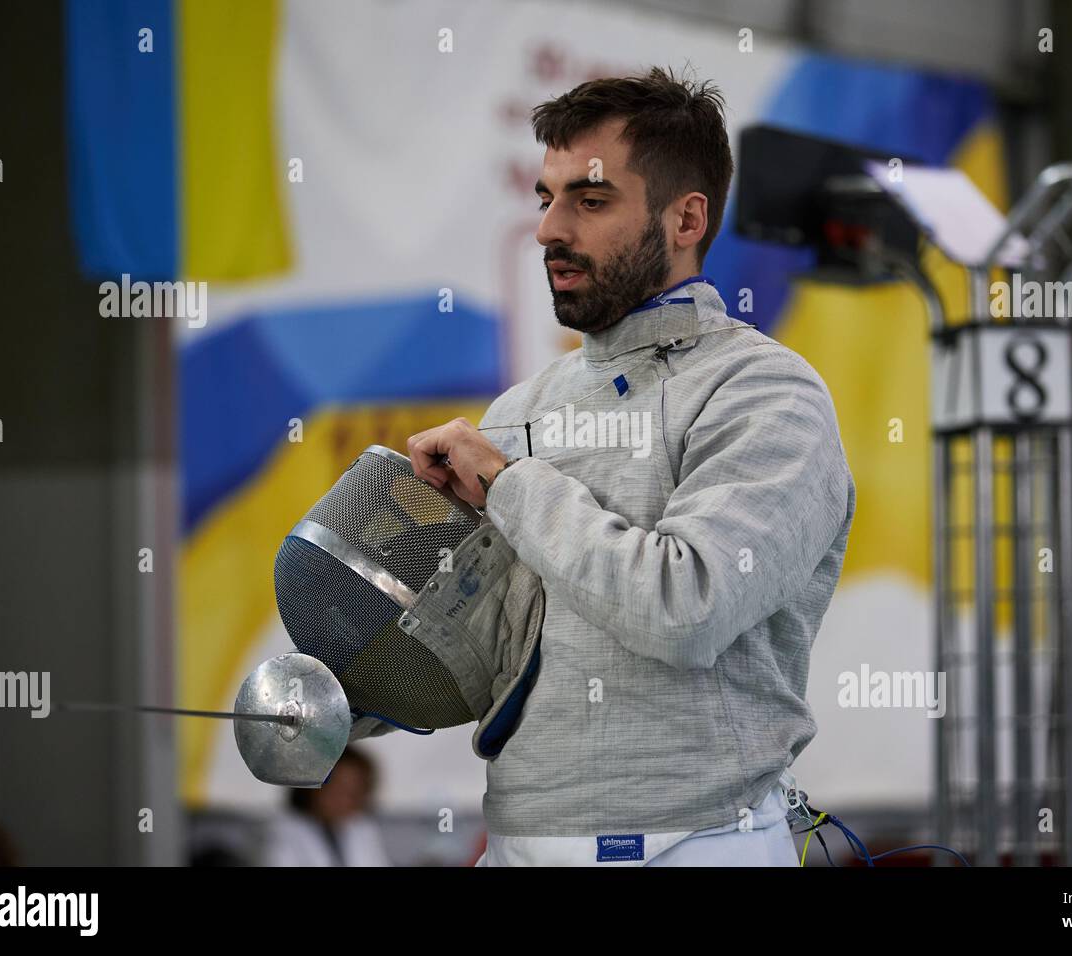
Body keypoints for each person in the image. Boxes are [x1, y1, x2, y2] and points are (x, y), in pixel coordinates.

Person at [406, 67, 855, 866]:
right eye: (546, 198)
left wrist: (512, 485)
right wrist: (360, 684)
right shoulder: (520, 410)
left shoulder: (764, 392)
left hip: (694, 842)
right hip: (518, 838)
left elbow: (685, 609)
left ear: (685, 218)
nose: (549, 229)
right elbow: (489, 658)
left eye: (590, 198)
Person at [262, 746, 392, 866]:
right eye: (337, 789)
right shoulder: (281, 831)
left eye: (354, 792)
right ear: (311, 786)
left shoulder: (362, 828)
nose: (345, 800)